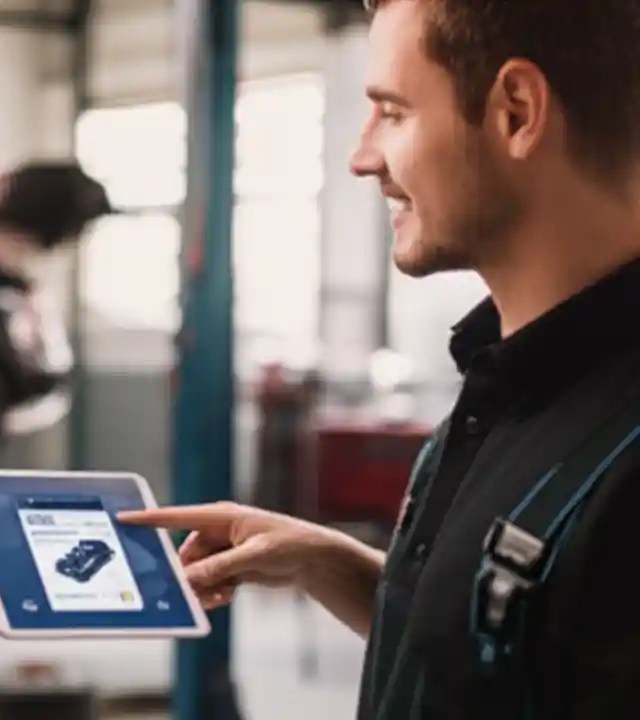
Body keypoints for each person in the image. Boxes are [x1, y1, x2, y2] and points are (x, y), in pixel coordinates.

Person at [121, 0, 640, 717]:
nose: (362, 156)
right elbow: (508, 657)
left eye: (393, 112)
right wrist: (327, 562)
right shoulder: (508, 383)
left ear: (516, 112)